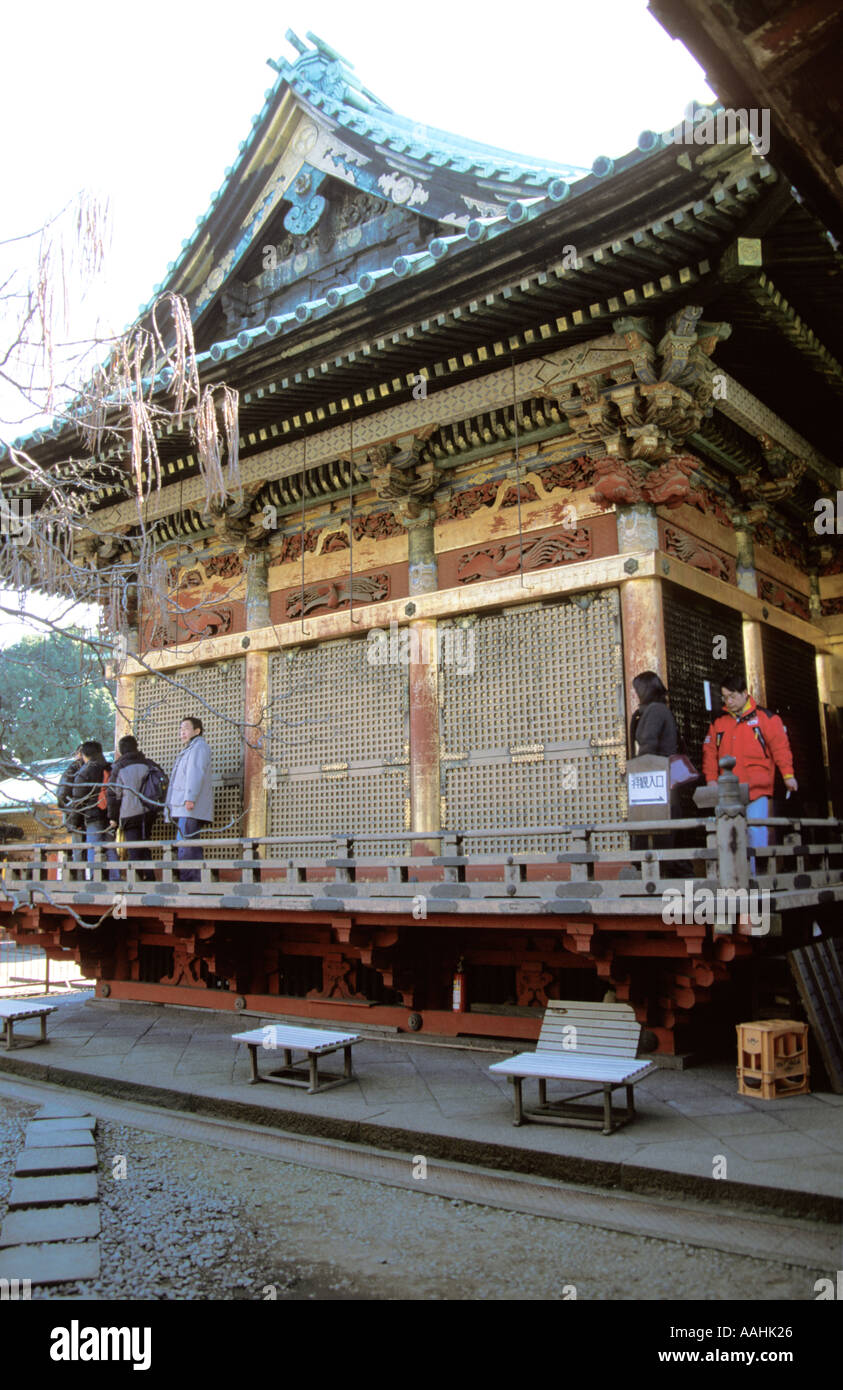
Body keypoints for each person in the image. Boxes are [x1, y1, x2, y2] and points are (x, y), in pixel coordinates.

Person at [702, 671, 797, 858]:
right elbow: (709, 753)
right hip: (728, 790)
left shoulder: (765, 718)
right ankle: (736, 881)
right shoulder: (718, 722)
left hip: (757, 788)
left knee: (755, 832)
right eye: (725, 697)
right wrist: (711, 779)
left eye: (733, 696)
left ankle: (755, 878)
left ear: (745, 693)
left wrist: (788, 775)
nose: (728, 701)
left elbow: (780, 748)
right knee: (730, 836)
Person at [107, 735, 163, 882]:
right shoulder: (148, 764)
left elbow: (113, 794)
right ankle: (150, 877)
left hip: (129, 813)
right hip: (149, 811)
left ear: (120, 750)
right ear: (136, 747)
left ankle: (136, 881)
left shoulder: (119, 767)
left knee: (133, 848)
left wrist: (113, 817)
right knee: (145, 844)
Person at [164, 717, 213, 883]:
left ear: (197, 731)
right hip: (183, 806)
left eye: (185, 728)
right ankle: (190, 878)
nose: (182, 732)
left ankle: (191, 880)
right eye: (180, 729)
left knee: (187, 844)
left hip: (188, 806)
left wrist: (190, 797)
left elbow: (195, 773)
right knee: (186, 843)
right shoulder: (190, 749)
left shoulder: (199, 747)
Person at [71, 740, 119, 881]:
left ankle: (95, 878)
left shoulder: (84, 772)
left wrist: (75, 822)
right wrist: (114, 816)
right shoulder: (111, 768)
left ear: (84, 755)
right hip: (110, 815)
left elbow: (78, 800)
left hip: (93, 815)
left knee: (93, 846)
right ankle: (114, 877)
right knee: (110, 847)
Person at [57, 744, 85, 878]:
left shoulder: (76, 768)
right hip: (84, 815)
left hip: (78, 814)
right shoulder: (76, 768)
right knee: (84, 848)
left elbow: (61, 793)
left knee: (79, 848)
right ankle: (83, 877)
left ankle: (81, 877)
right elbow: (62, 794)